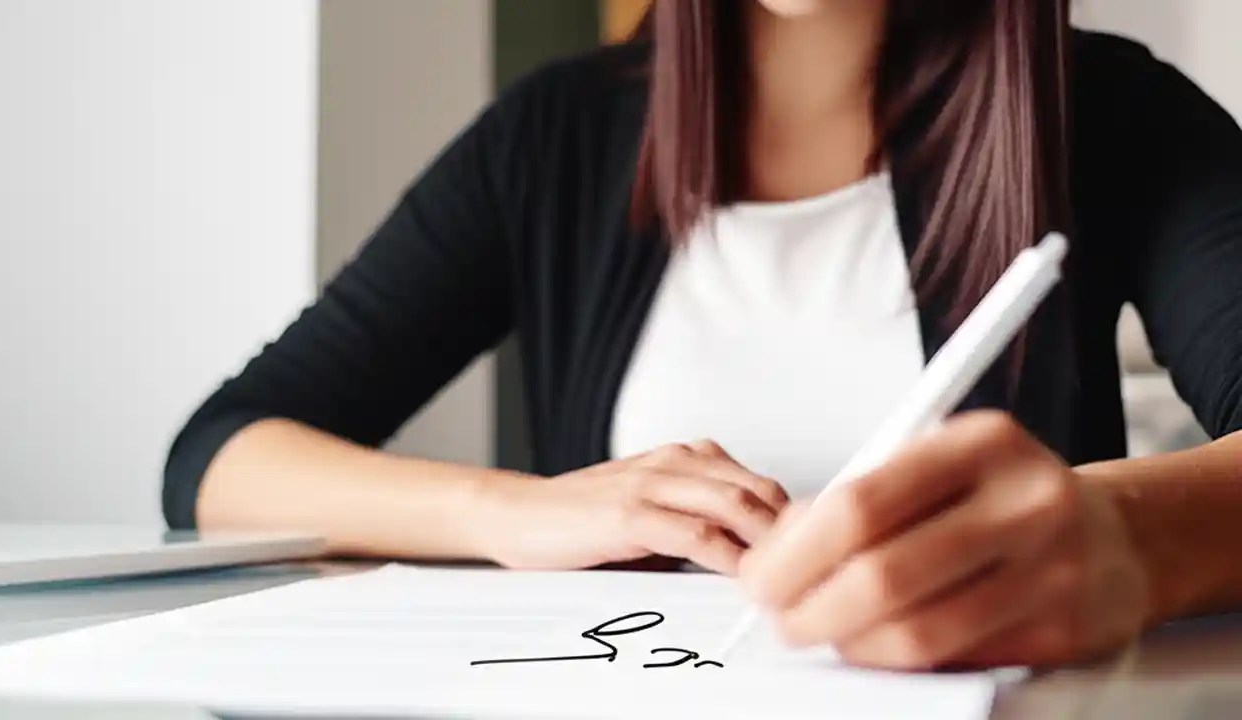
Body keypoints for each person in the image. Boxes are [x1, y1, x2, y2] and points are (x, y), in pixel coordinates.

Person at [165, 0, 1242, 671]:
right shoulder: (553, 136)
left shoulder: (1111, 113)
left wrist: (1118, 537)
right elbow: (220, 455)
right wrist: (516, 510)